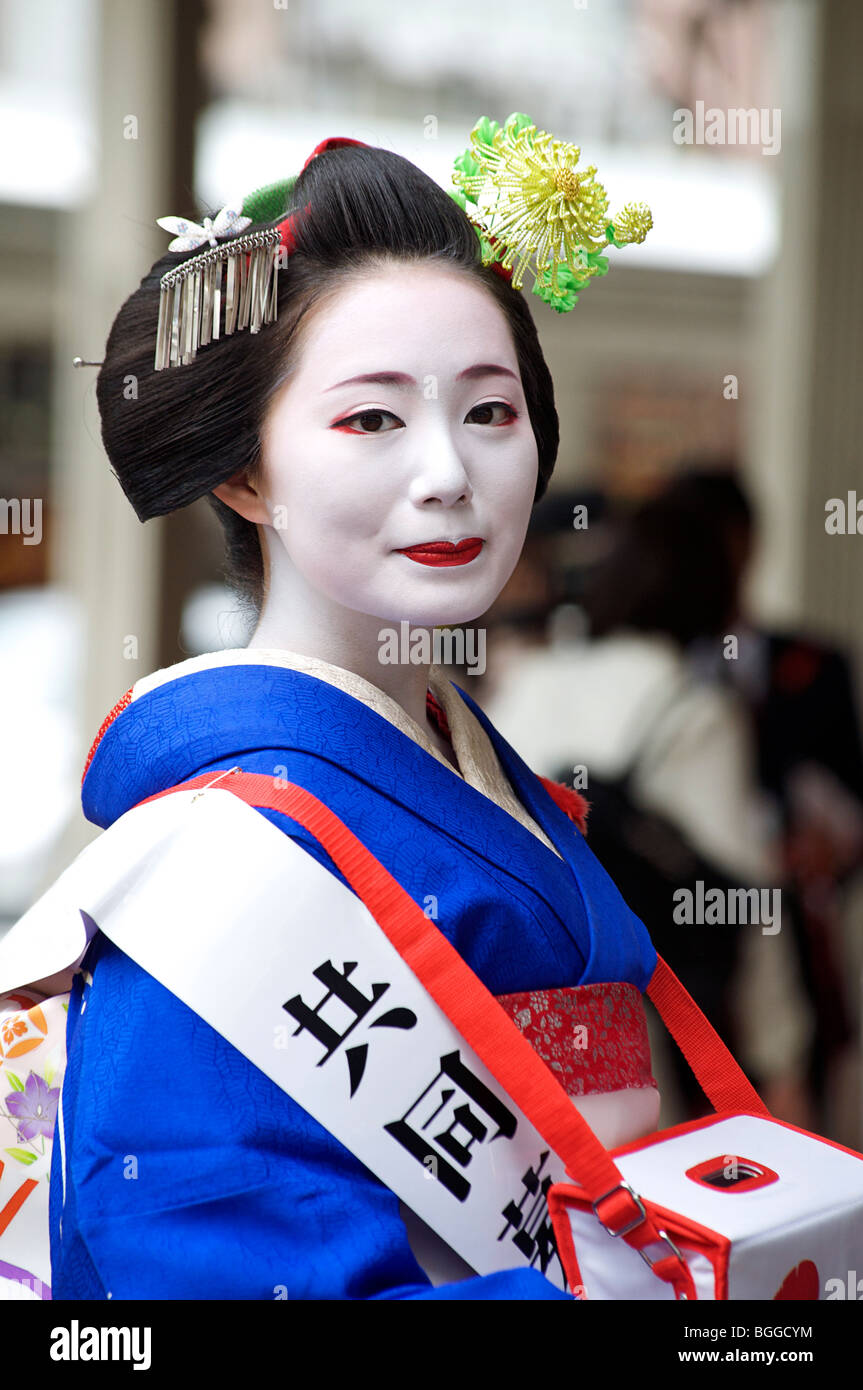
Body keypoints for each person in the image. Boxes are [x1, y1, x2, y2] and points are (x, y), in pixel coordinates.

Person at [1, 119, 664, 1300]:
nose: (448, 472)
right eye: (371, 418)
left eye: (489, 410)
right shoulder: (217, 864)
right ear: (246, 472)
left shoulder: (470, 766)